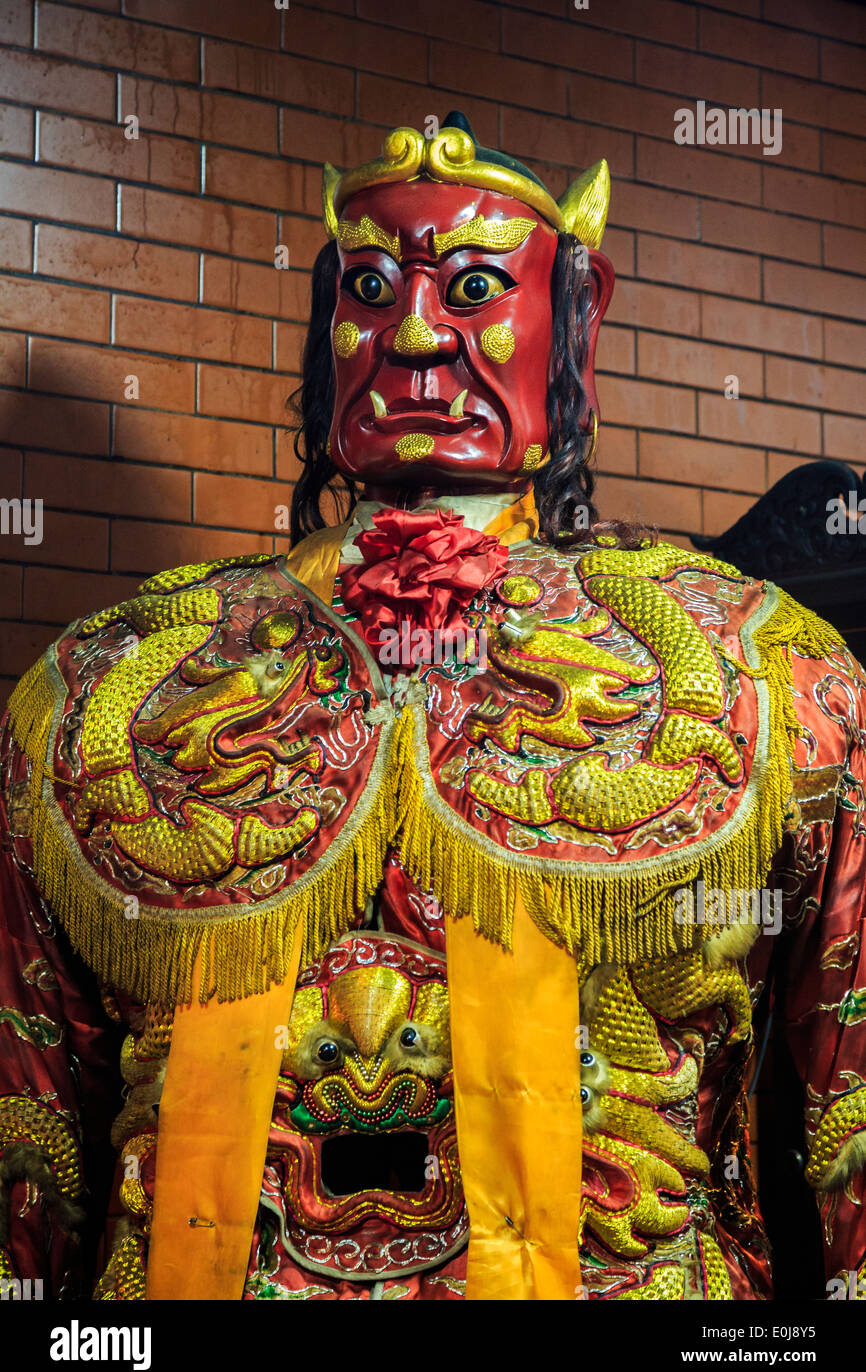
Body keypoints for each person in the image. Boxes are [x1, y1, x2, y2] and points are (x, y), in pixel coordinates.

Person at [1, 114, 864, 1302]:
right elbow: (29, 1140)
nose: (412, 334)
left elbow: (844, 1111)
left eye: (471, 289)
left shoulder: (766, 673)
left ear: (579, 314)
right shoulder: (112, 677)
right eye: (368, 287)